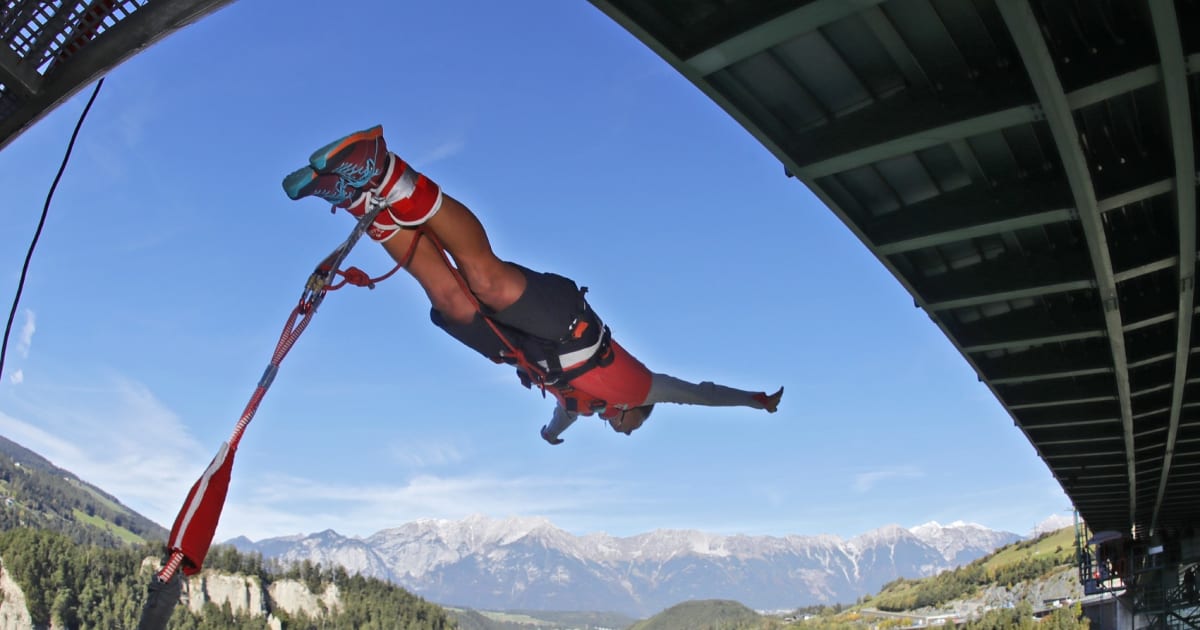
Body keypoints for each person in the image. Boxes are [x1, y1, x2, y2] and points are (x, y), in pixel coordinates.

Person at [282, 125, 783, 445]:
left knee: (451, 301)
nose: (620, 430)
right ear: (638, 414)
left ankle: (360, 197)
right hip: (568, 326)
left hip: (517, 347)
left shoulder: (578, 407)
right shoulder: (645, 388)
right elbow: (702, 394)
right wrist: (754, 400)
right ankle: (389, 174)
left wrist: (548, 436)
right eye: (629, 428)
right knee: (487, 280)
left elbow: (561, 419)